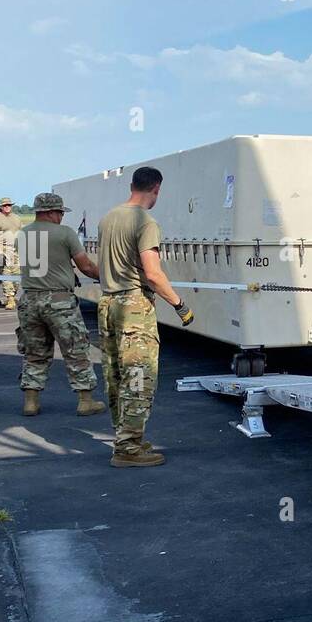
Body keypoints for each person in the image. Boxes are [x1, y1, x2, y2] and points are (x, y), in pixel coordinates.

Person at [96, 166, 194, 468]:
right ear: (156, 189)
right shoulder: (146, 222)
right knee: (138, 376)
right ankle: (128, 448)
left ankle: (126, 437)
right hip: (133, 308)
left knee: (116, 375)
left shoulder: (109, 217)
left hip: (108, 303)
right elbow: (152, 273)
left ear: (132, 185)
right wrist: (179, 305)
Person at [15, 192, 105, 417]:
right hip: (59, 301)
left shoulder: (23, 234)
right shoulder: (65, 234)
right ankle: (86, 400)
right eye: (60, 213)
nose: (62, 217)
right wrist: (106, 277)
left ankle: (31, 402)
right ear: (51, 212)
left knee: (34, 352)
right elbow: (85, 266)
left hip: (29, 300)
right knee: (76, 349)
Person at [0, 197, 25, 310]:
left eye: (9, 205)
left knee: (17, 276)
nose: (7, 207)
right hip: (5, 250)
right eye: (5, 205)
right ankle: (10, 299)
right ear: (1, 206)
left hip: (17, 250)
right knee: (6, 275)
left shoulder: (17, 218)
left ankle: (12, 294)